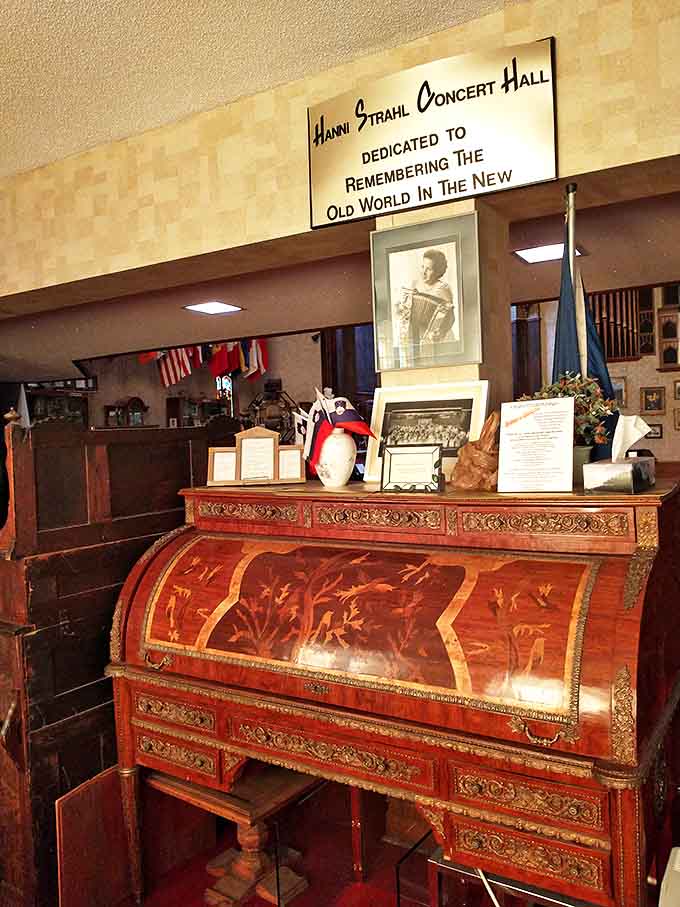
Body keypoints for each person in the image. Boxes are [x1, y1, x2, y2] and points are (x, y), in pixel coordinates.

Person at [397, 248, 455, 363]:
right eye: (423, 267)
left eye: (429, 269)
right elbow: (404, 311)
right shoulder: (414, 284)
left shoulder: (443, 289)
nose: (424, 272)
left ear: (438, 271)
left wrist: (441, 332)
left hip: (437, 340)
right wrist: (401, 308)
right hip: (417, 337)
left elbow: (450, 317)